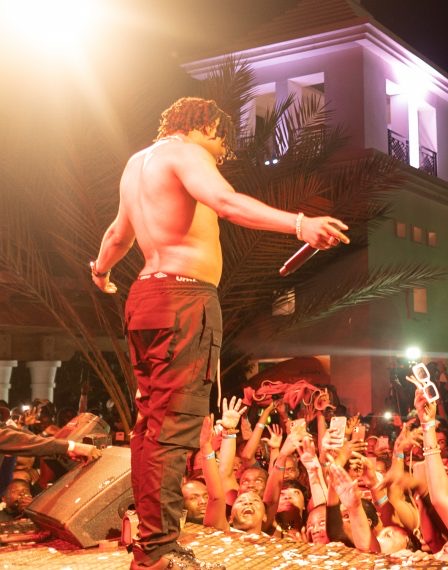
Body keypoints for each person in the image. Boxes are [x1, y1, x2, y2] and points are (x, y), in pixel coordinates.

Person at [90, 96, 350, 570]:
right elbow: (226, 203)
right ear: (206, 123)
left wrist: (102, 270)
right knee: (171, 430)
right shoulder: (188, 153)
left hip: (144, 298)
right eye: (221, 141)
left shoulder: (135, 165)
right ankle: (158, 550)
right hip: (183, 301)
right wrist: (300, 224)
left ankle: (153, 541)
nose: (221, 153)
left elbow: (116, 235)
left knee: (150, 427)